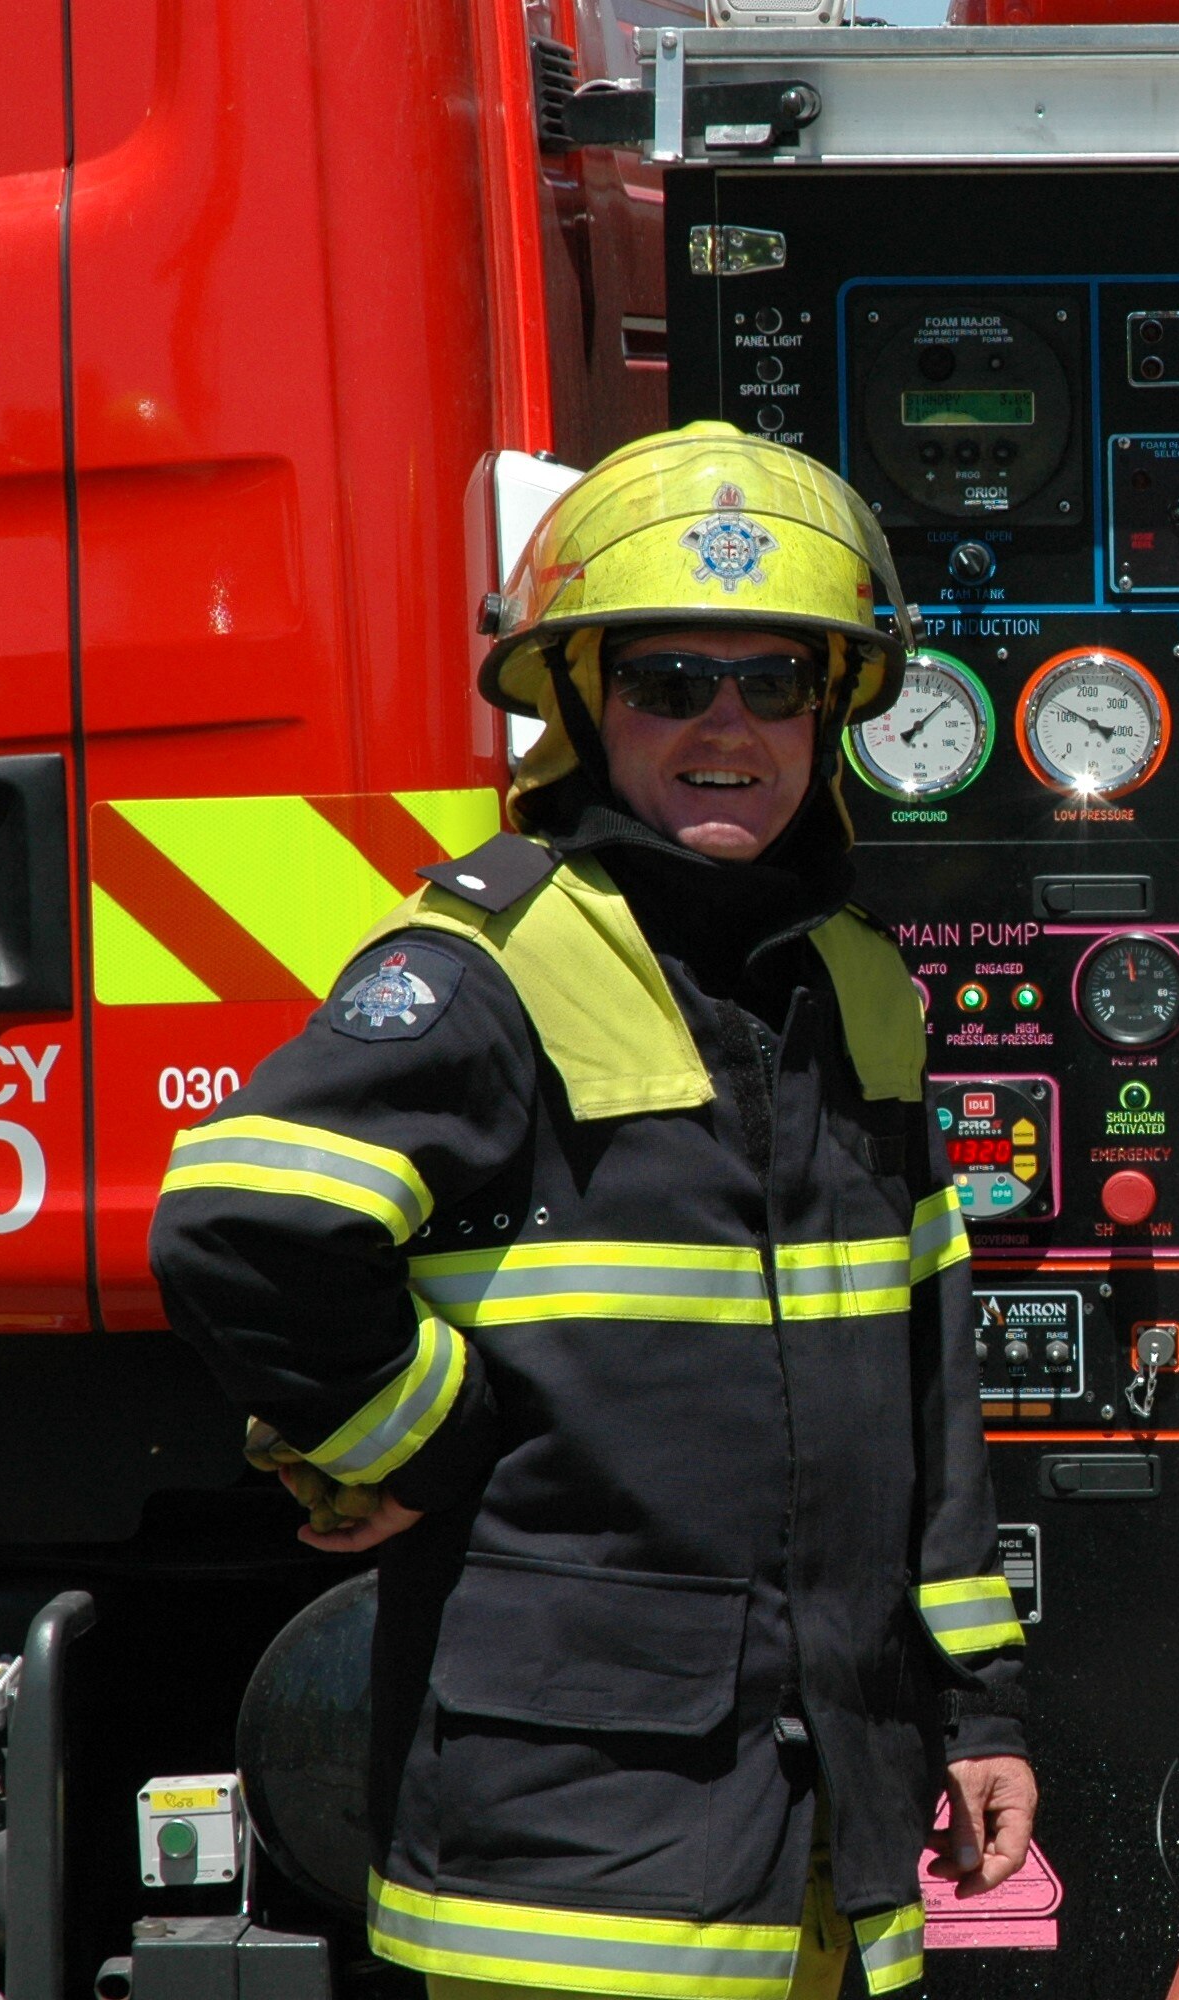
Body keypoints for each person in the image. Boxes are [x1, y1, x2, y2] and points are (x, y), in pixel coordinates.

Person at [149, 422, 1036, 2000]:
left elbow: (927, 1382)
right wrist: (419, 1443)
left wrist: (974, 1710)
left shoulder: (857, 989)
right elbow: (244, 1220)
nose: (725, 724)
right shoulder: (487, 964)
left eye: (775, 682)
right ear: (577, 705)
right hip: (570, 1859)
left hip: (824, 1819)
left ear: (829, 715)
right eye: (667, 679)